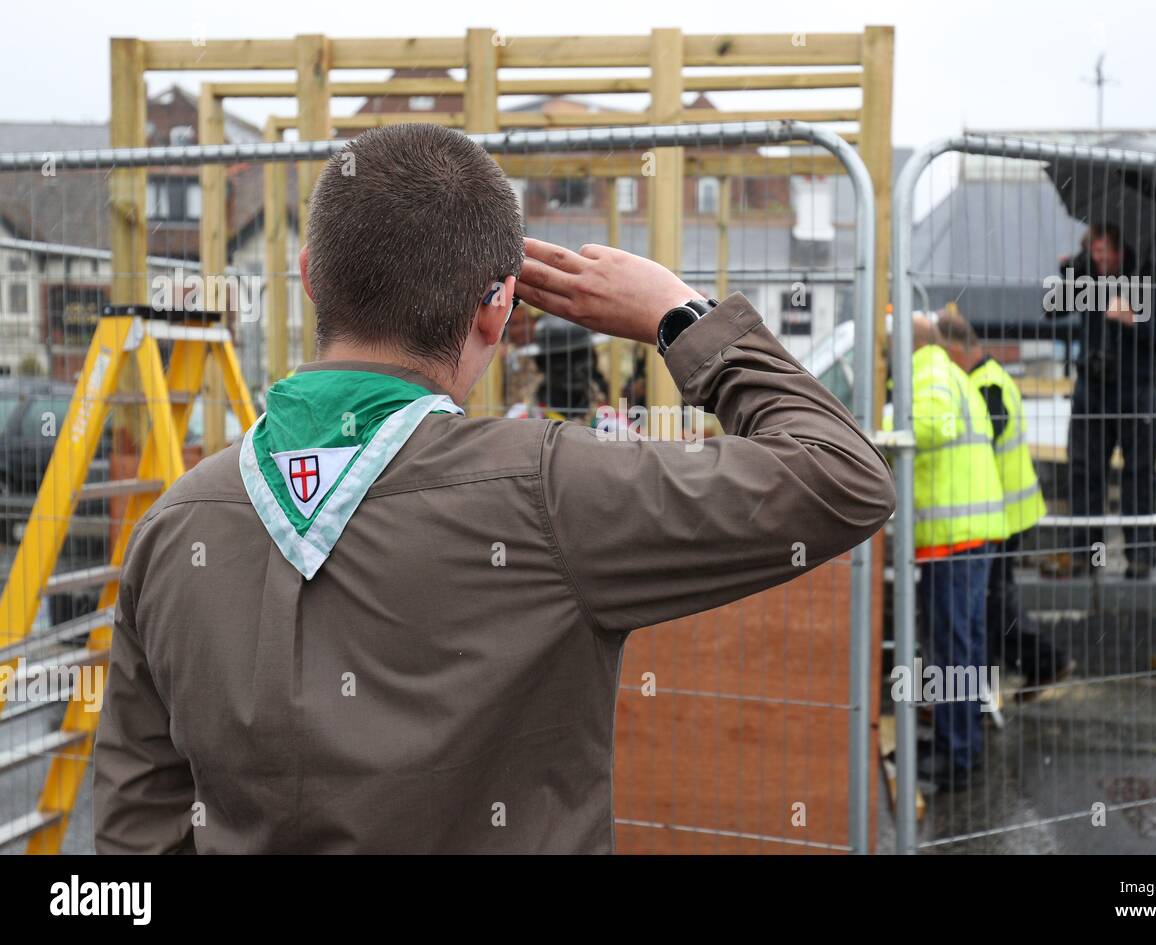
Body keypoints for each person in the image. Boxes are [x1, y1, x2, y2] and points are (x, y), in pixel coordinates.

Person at [91, 123, 896, 854]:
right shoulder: (547, 491)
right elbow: (842, 476)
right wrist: (679, 317)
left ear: (308, 278)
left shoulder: (174, 526)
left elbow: (136, 831)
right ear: (499, 306)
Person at [936, 312, 1072, 690]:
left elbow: (976, 445)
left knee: (991, 604)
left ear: (956, 351)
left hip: (1001, 516)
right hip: (1007, 512)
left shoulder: (984, 386)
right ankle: (1003, 679)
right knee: (992, 601)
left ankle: (1041, 663)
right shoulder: (990, 377)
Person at [1047, 223, 1156, 579]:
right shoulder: (1086, 270)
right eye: (1095, 251)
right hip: (1092, 390)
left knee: (1138, 477)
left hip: (1136, 391)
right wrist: (1069, 275)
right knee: (1085, 474)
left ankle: (1139, 558)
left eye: (1106, 251)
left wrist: (1134, 318)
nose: (1101, 259)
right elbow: (1052, 309)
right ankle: (1089, 556)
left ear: (1123, 248)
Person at [906, 314, 1006, 791]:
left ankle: (957, 753)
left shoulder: (927, 368)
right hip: (968, 533)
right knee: (963, 644)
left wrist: (880, 431)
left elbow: (928, 428)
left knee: (952, 649)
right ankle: (961, 742)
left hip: (955, 537)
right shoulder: (949, 371)